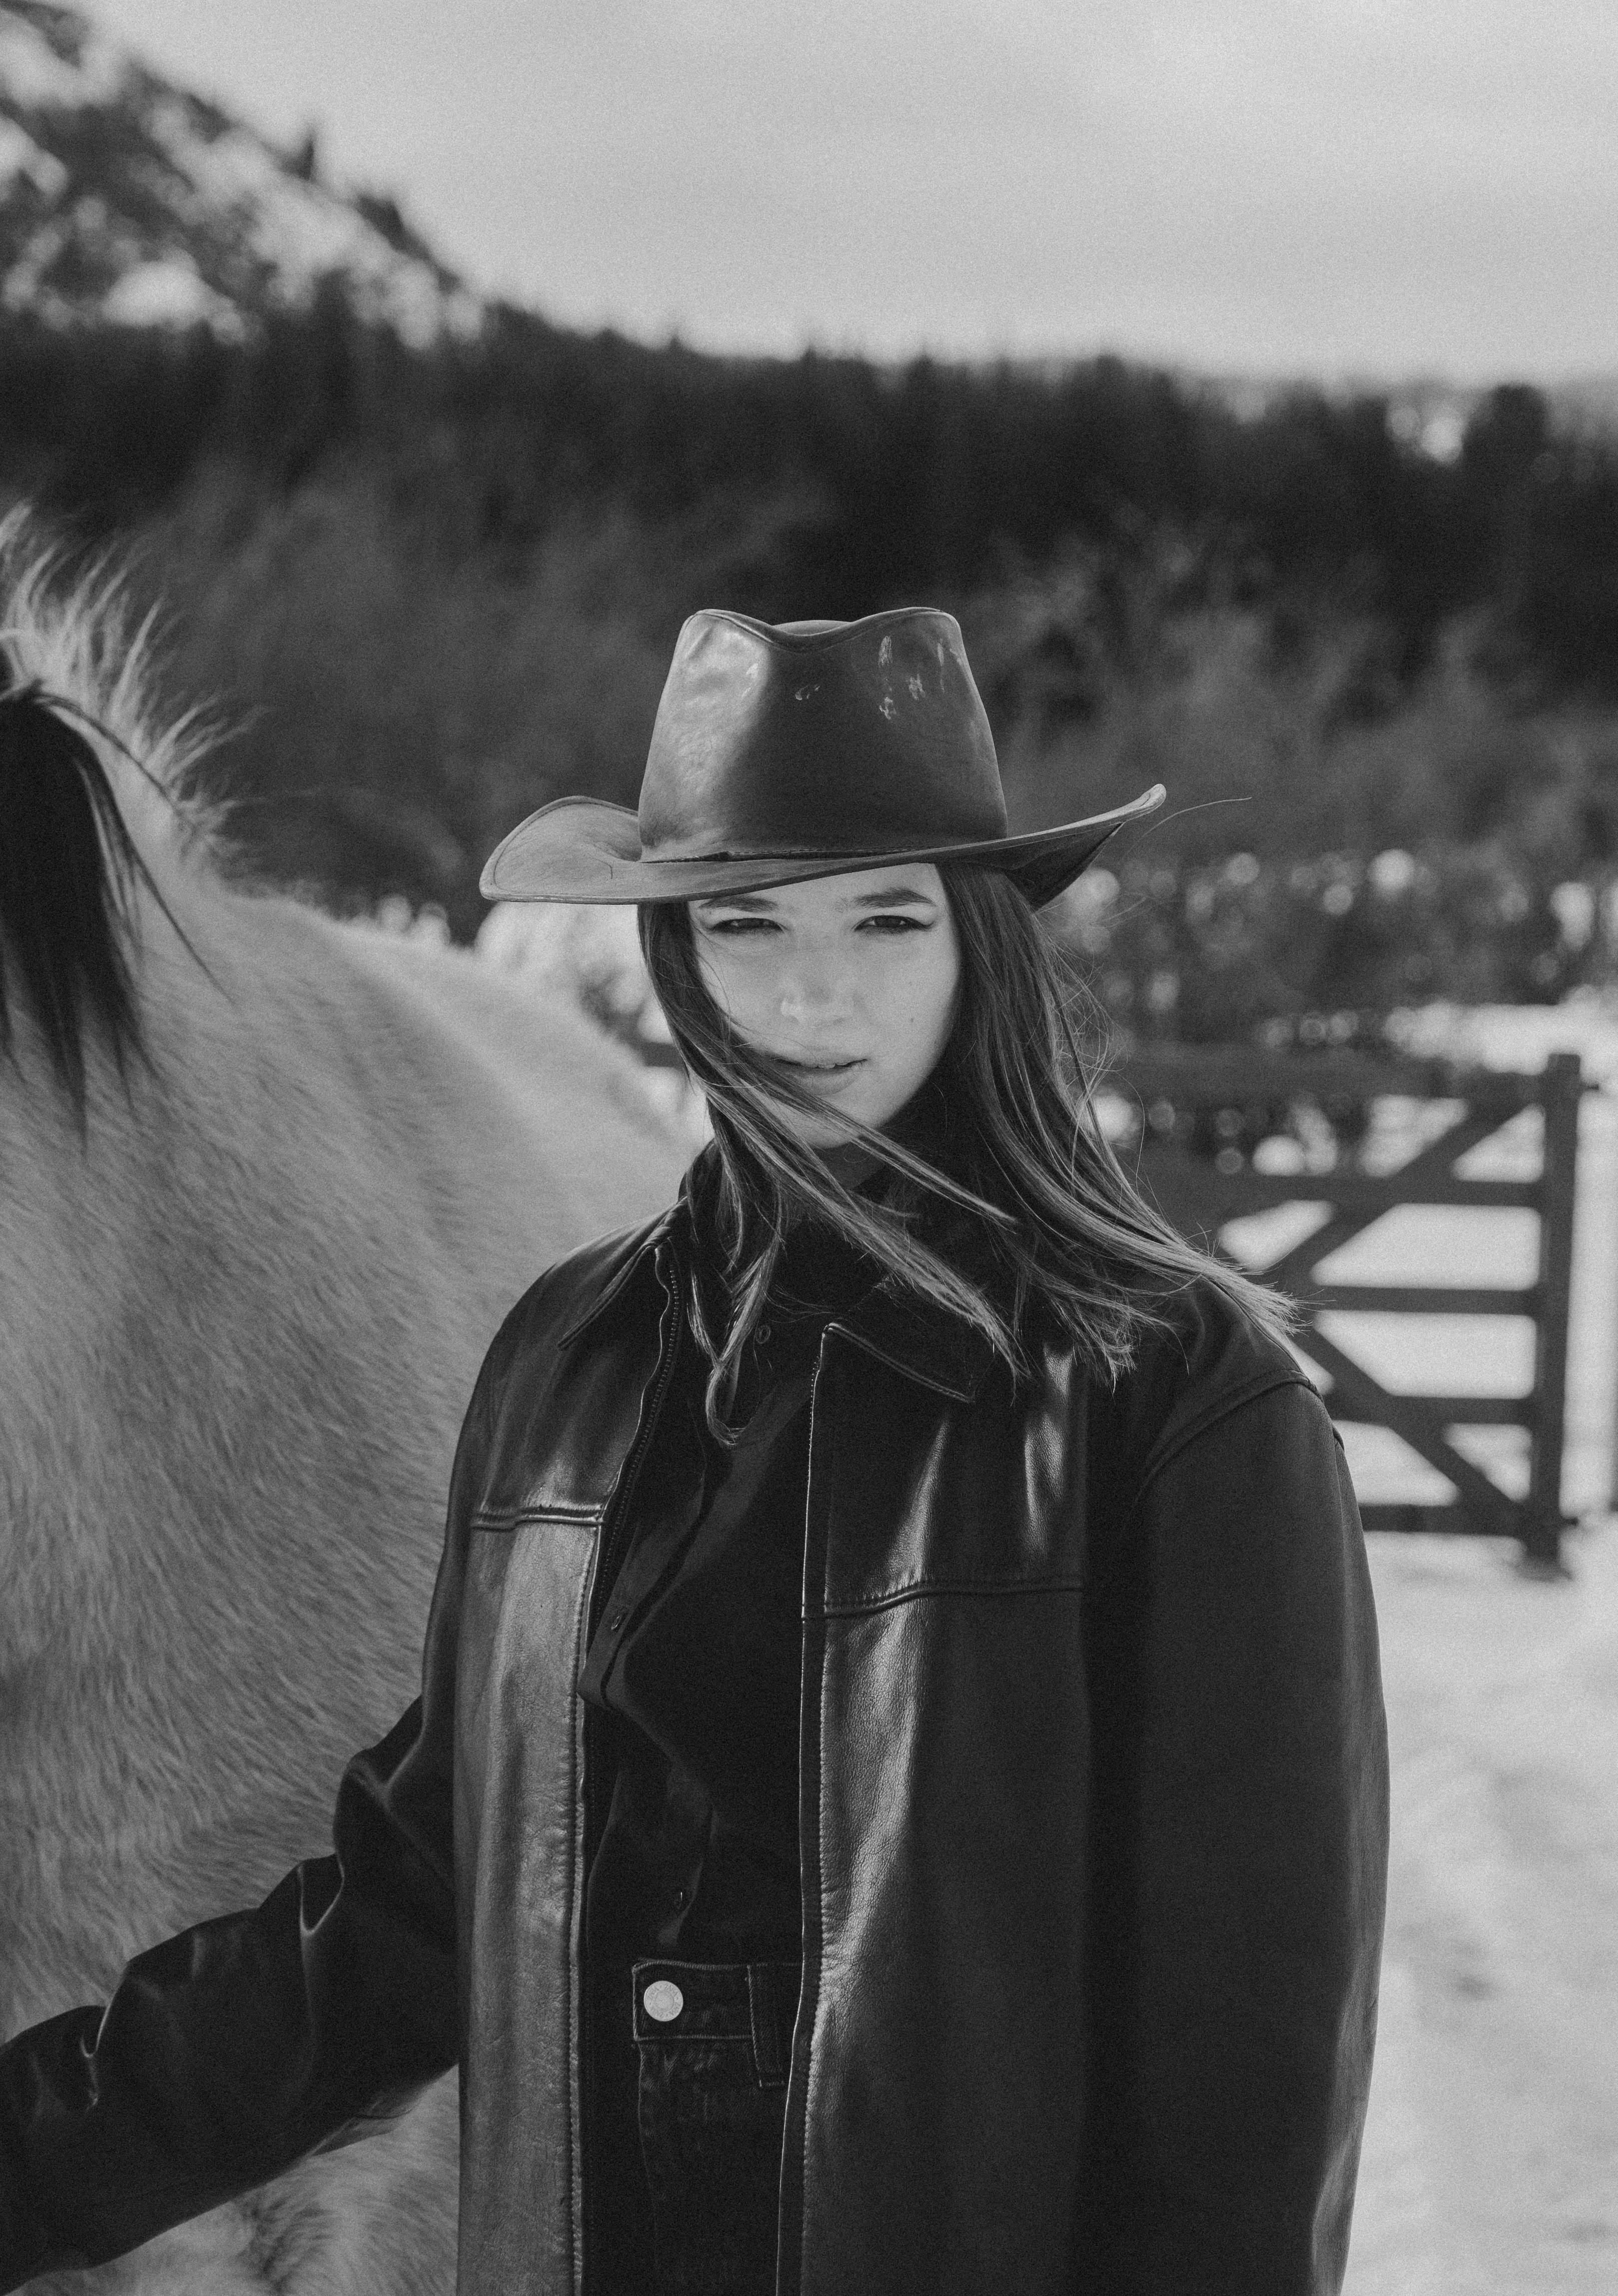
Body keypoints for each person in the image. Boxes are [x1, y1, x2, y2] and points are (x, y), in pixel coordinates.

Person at [0, 608, 1388, 2296]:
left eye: (885, 918)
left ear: (980, 944)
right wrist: (36, 2155)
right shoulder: (569, 1364)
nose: (812, 992)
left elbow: (1240, 2105)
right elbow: (409, 1911)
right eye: (747, 920)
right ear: (678, 953)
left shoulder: (1178, 1402)